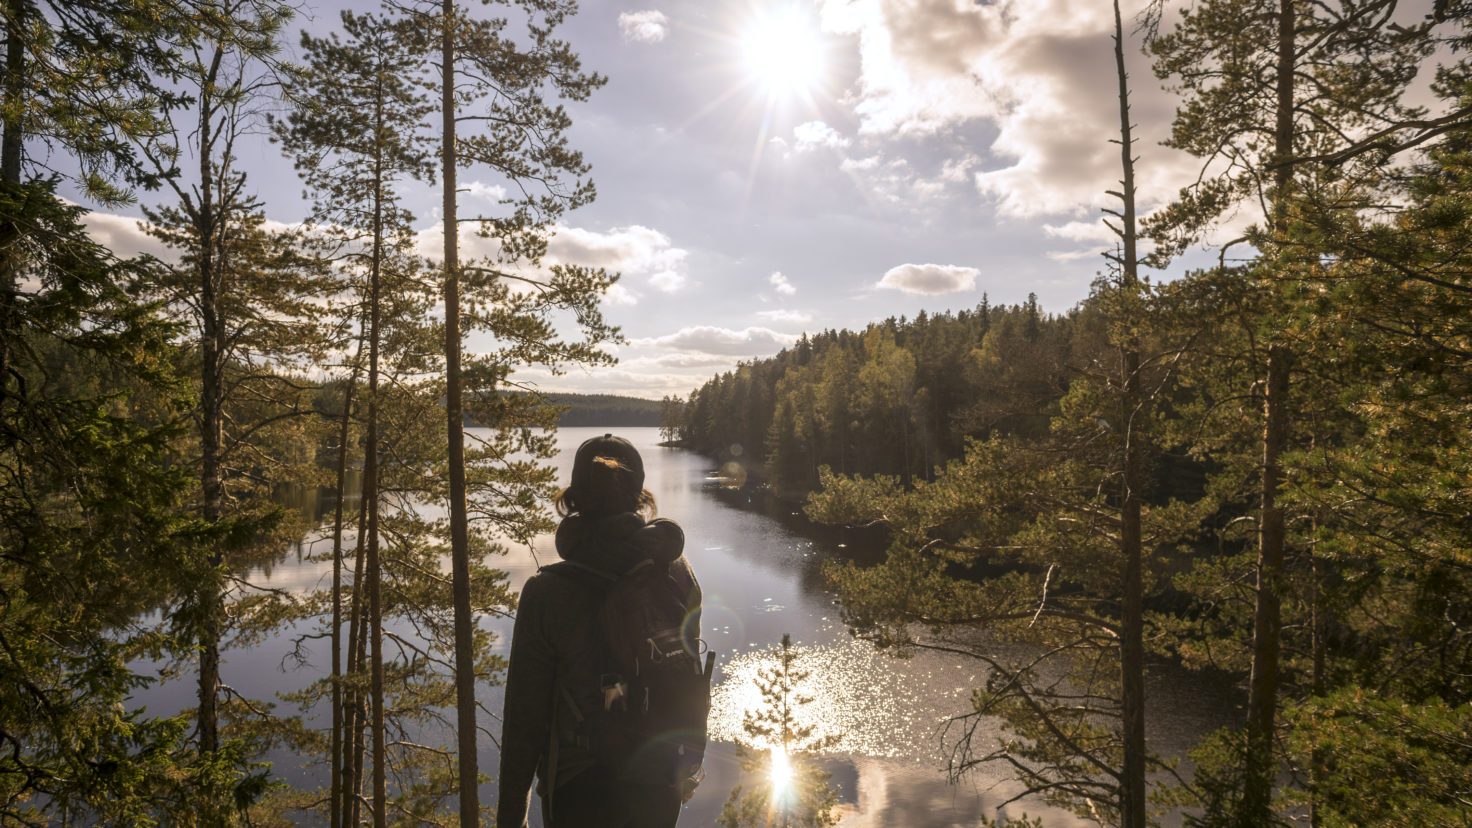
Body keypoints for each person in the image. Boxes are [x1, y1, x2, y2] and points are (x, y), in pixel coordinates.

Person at [496, 433, 703, 828]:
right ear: (639, 498)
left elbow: (525, 723)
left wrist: (510, 818)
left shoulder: (547, 592)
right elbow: (686, 674)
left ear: (573, 501)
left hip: (579, 791)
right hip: (658, 784)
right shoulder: (678, 575)